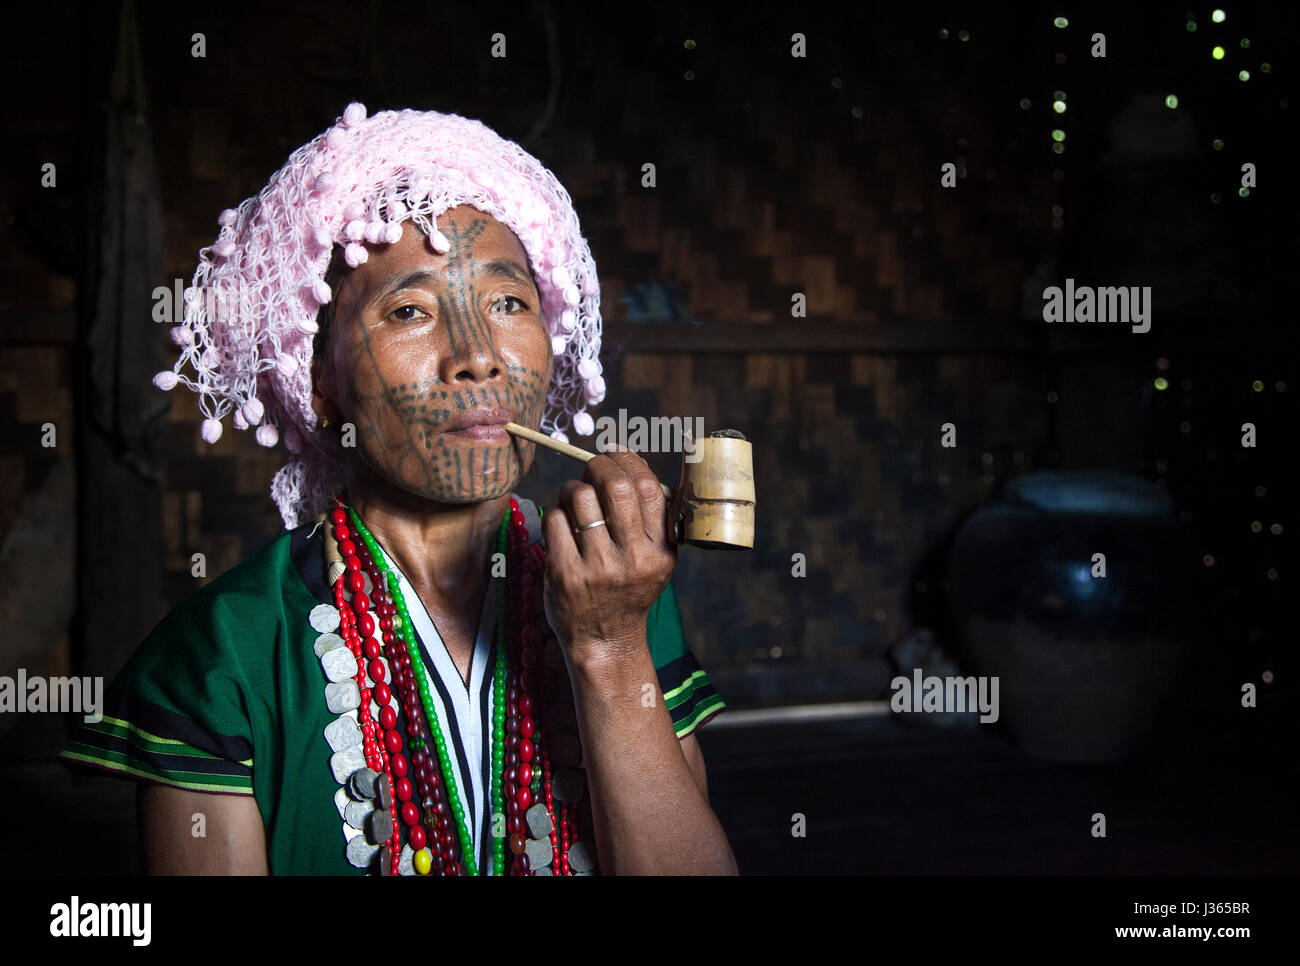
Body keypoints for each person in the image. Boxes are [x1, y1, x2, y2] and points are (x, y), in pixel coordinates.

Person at [60, 104, 735, 876]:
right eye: (410, 310)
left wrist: (610, 651)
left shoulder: (614, 591)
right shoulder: (228, 652)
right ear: (316, 381)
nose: (478, 357)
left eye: (508, 303)